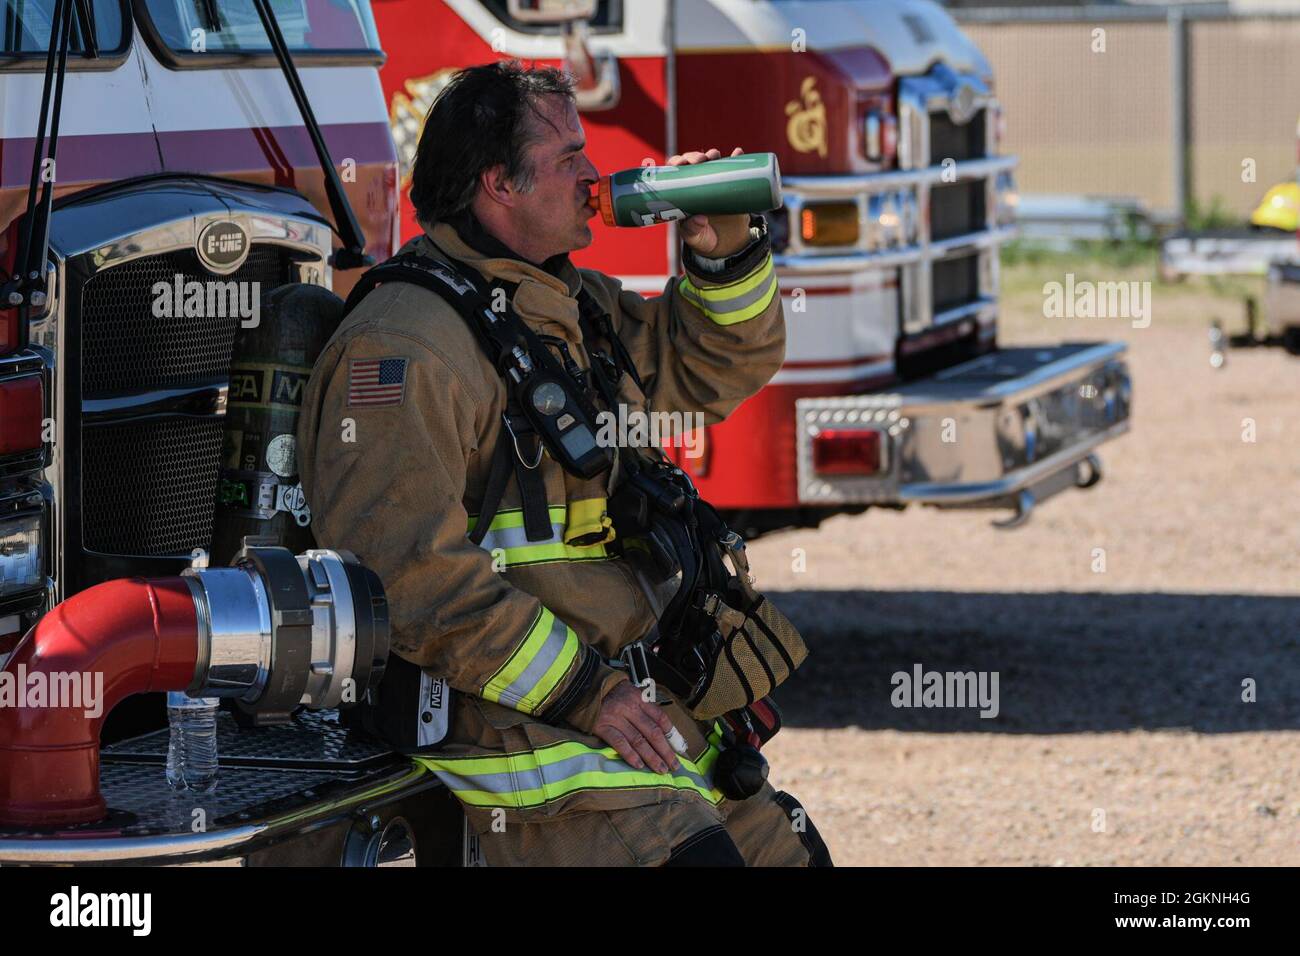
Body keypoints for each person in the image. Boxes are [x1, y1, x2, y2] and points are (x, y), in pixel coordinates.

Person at [298, 60, 830, 866]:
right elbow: (403, 575)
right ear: (498, 185)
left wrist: (723, 255)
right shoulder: (405, 344)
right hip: (519, 727)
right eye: (569, 157)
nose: (595, 173)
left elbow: (703, 373)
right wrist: (590, 693)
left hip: (641, 708)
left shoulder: (564, 304)